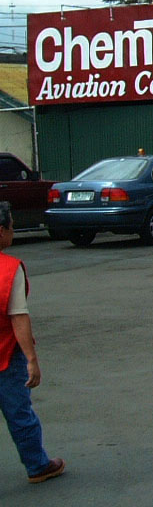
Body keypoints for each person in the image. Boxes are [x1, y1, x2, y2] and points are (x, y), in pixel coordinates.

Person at [0, 201, 64, 484]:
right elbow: (18, 318)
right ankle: (37, 466)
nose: (13, 230)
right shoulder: (10, 270)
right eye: (11, 225)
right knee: (19, 414)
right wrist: (31, 359)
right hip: (5, 355)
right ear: (1, 231)